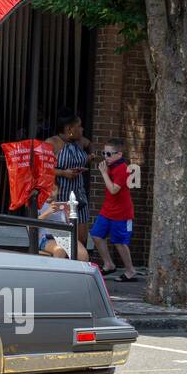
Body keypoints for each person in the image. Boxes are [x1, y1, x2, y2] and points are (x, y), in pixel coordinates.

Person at [91, 139, 138, 280]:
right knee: (96, 235)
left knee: (119, 242)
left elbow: (113, 190)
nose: (106, 156)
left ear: (119, 154)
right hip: (107, 210)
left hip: (122, 213)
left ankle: (130, 271)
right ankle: (109, 264)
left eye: (109, 154)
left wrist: (104, 173)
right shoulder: (110, 165)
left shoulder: (122, 169)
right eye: (104, 153)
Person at [48, 110, 91, 250]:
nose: (82, 129)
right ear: (69, 129)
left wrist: (90, 158)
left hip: (79, 195)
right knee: (64, 238)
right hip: (61, 196)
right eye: (79, 126)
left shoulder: (80, 142)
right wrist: (63, 172)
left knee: (82, 237)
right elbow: (42, 169)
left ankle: (80, 262)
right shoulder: (52, 143)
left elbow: (90, 146)